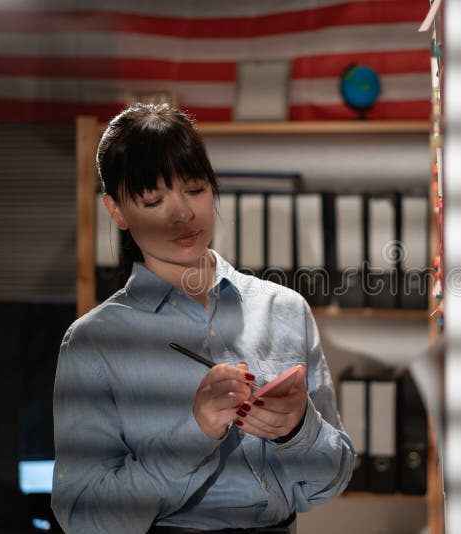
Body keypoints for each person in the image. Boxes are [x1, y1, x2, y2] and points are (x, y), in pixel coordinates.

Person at [51, 104, 355, 533]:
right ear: (116, 210)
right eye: (153, 200)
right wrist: (194, 432)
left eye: (194, 190)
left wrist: (299, 429)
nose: (182, 215)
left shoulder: (284, 310)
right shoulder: (93, 343)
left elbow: (333, 479)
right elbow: (84, 519)